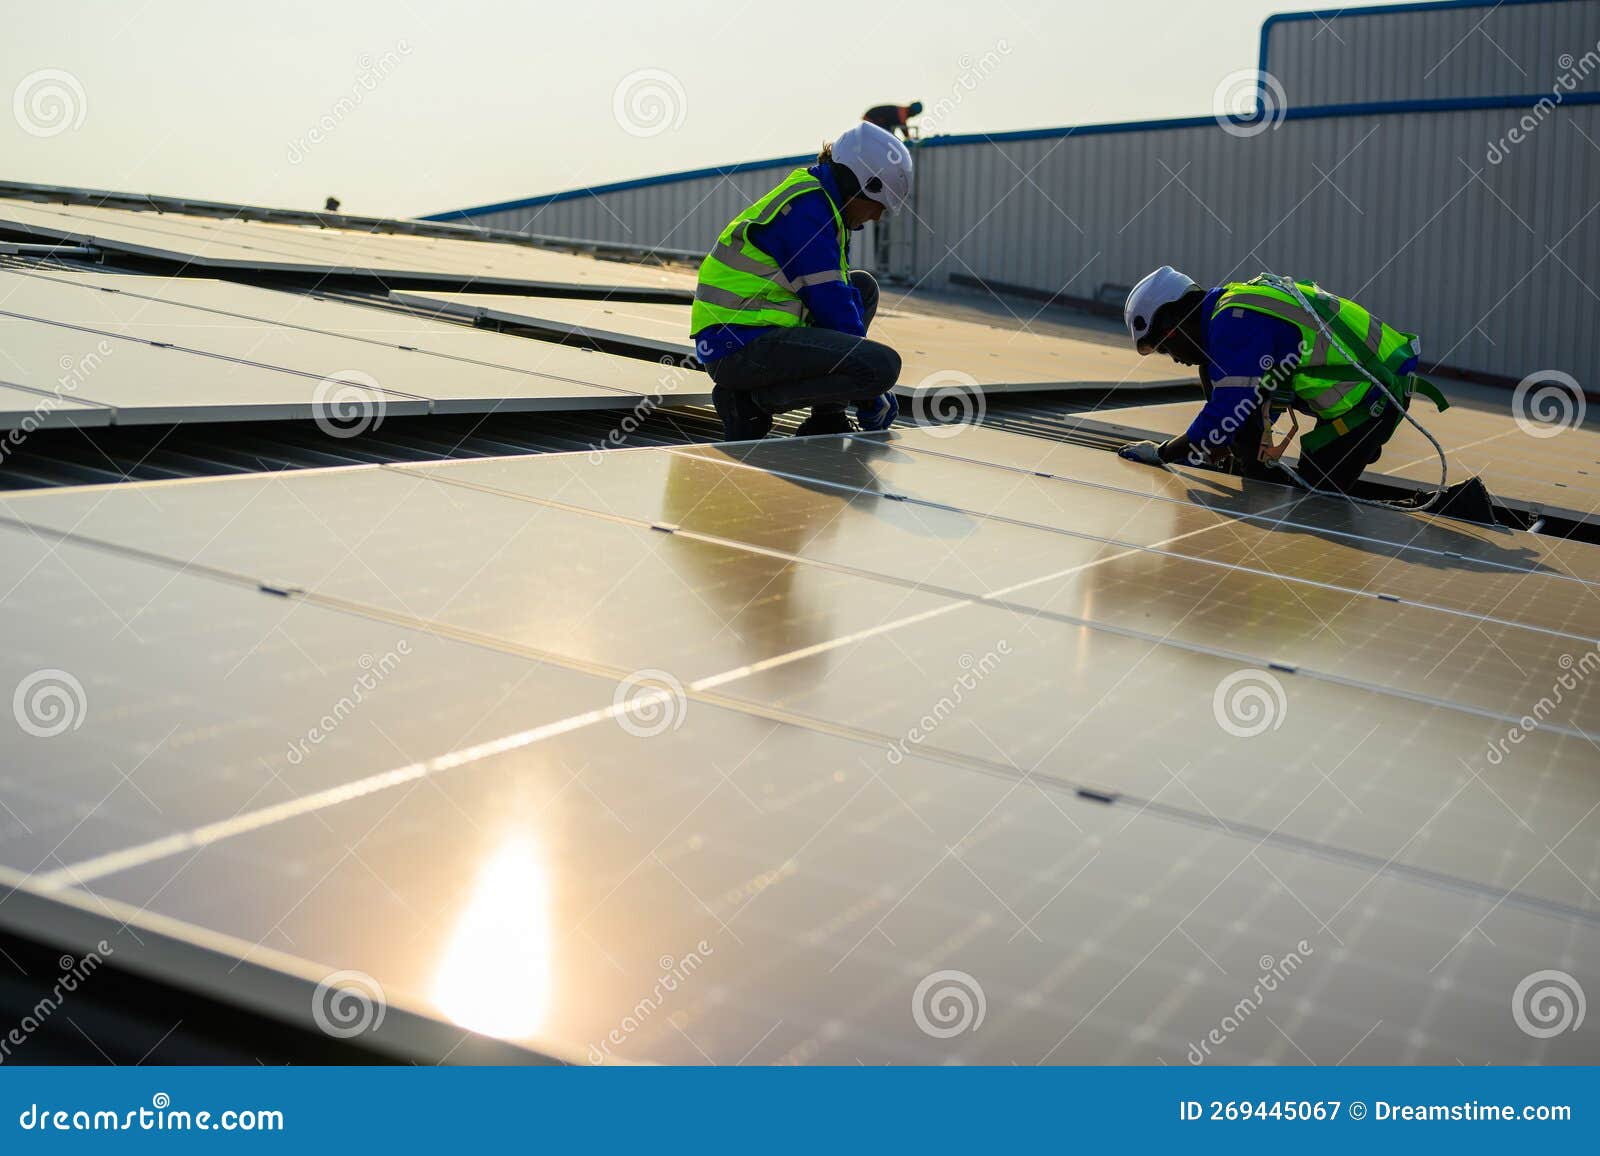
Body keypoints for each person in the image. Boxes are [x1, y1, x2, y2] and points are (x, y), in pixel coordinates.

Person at [1116, 265, 1447, 494]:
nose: (1174, 358)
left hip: (1373, 400)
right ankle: (1253, 470)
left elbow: (1229, 410)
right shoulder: (1233, 306)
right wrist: (1239, 448)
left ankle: (1460, 503)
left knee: (1318, 503)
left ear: (1177, 318)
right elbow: (1257, 395)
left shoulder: (1233, 322)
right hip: (1365, 393)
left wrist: (1164, 453)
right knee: (1214, 379)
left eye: (1165, 345)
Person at [691, 121, 911, 440]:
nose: (877, 217)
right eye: (879, 205)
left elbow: (839, 297)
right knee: (882, 366)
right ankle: (750, 403)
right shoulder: (807, 211)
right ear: (859, 184)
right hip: (738, 348)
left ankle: (828, 417)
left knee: (862, 288)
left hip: (752, 336)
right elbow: (831, 303)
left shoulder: (819, 201)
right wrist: (871, 393)